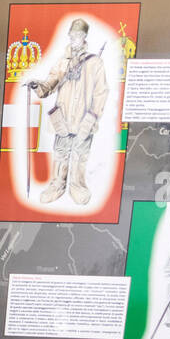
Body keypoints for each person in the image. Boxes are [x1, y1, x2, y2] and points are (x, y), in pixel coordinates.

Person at [24, 18, 109, 205]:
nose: (74, 39)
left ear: (85, 36)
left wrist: (93, 117)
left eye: (78, 35)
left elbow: (101, 93)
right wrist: (38, 85)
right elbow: (50, 84)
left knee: (80, 156)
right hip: (62, 118)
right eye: (72, 35)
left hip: (83, 119)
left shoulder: (95, 63)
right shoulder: (62, 62)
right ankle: (57, 185)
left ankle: (77, 187)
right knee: (60, 153)